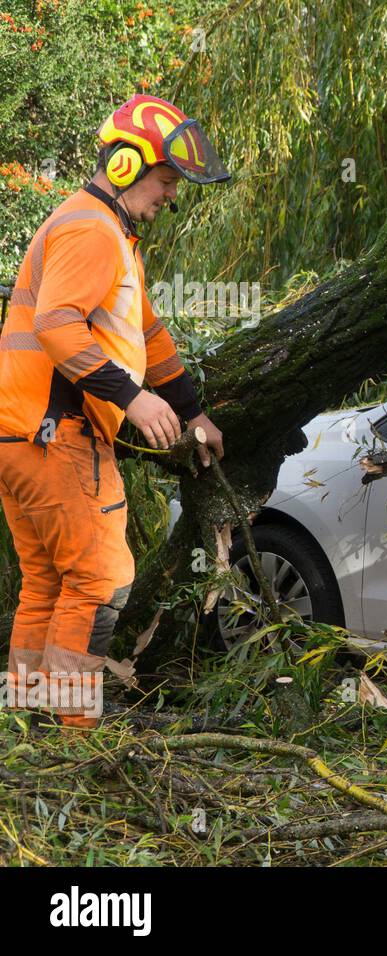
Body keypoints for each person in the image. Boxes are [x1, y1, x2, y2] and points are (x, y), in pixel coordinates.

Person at [0, 94, 229, 729]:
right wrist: (131, 398)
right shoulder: (91, 229)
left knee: (48, 581)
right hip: (57, 433)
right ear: (126, 165)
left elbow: (150, 337)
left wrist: (194, 413)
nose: (170, 197)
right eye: (164, 181)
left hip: (20, 433)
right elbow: (56, 325)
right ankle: (74, 735)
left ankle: (26, 725)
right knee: (101, 579)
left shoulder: (107, 233)